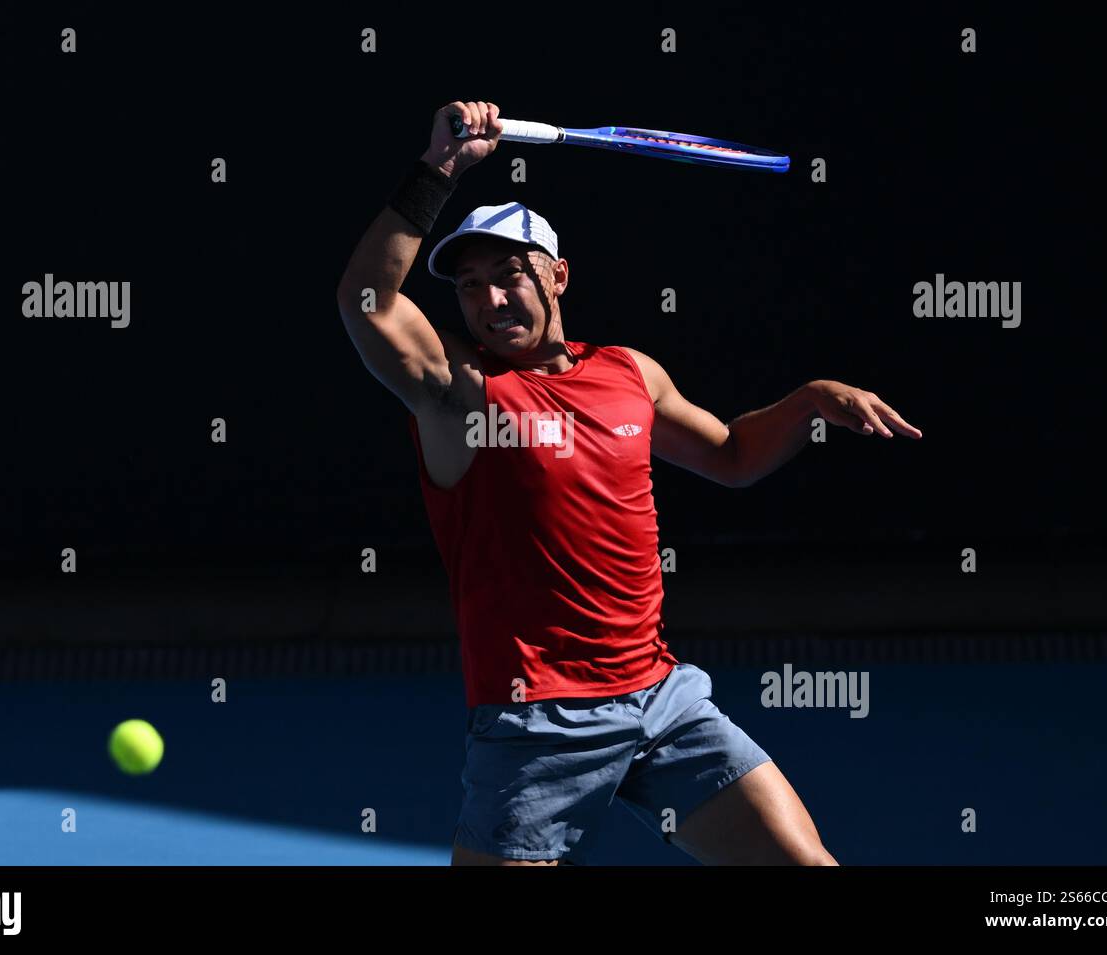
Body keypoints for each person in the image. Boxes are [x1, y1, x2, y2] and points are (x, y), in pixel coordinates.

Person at [336, 100, 922, 866]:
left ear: (558, 276)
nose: (489, 299)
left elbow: (735, 454)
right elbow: (366, 302)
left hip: (663, 701)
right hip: (536, 725)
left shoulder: (630, 374)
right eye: (470, 286)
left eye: (508, 275)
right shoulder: (460, 390)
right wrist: (438, 171)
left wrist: (809, 400)